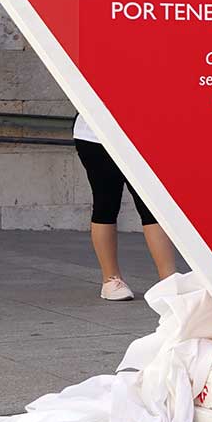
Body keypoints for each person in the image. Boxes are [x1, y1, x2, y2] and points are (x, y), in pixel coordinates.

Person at [72, 115, 177, 300]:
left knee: (151, 206)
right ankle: (111, 280)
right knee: (106, 203)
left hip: (141, 134)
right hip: (94, 136)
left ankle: (169, 280)